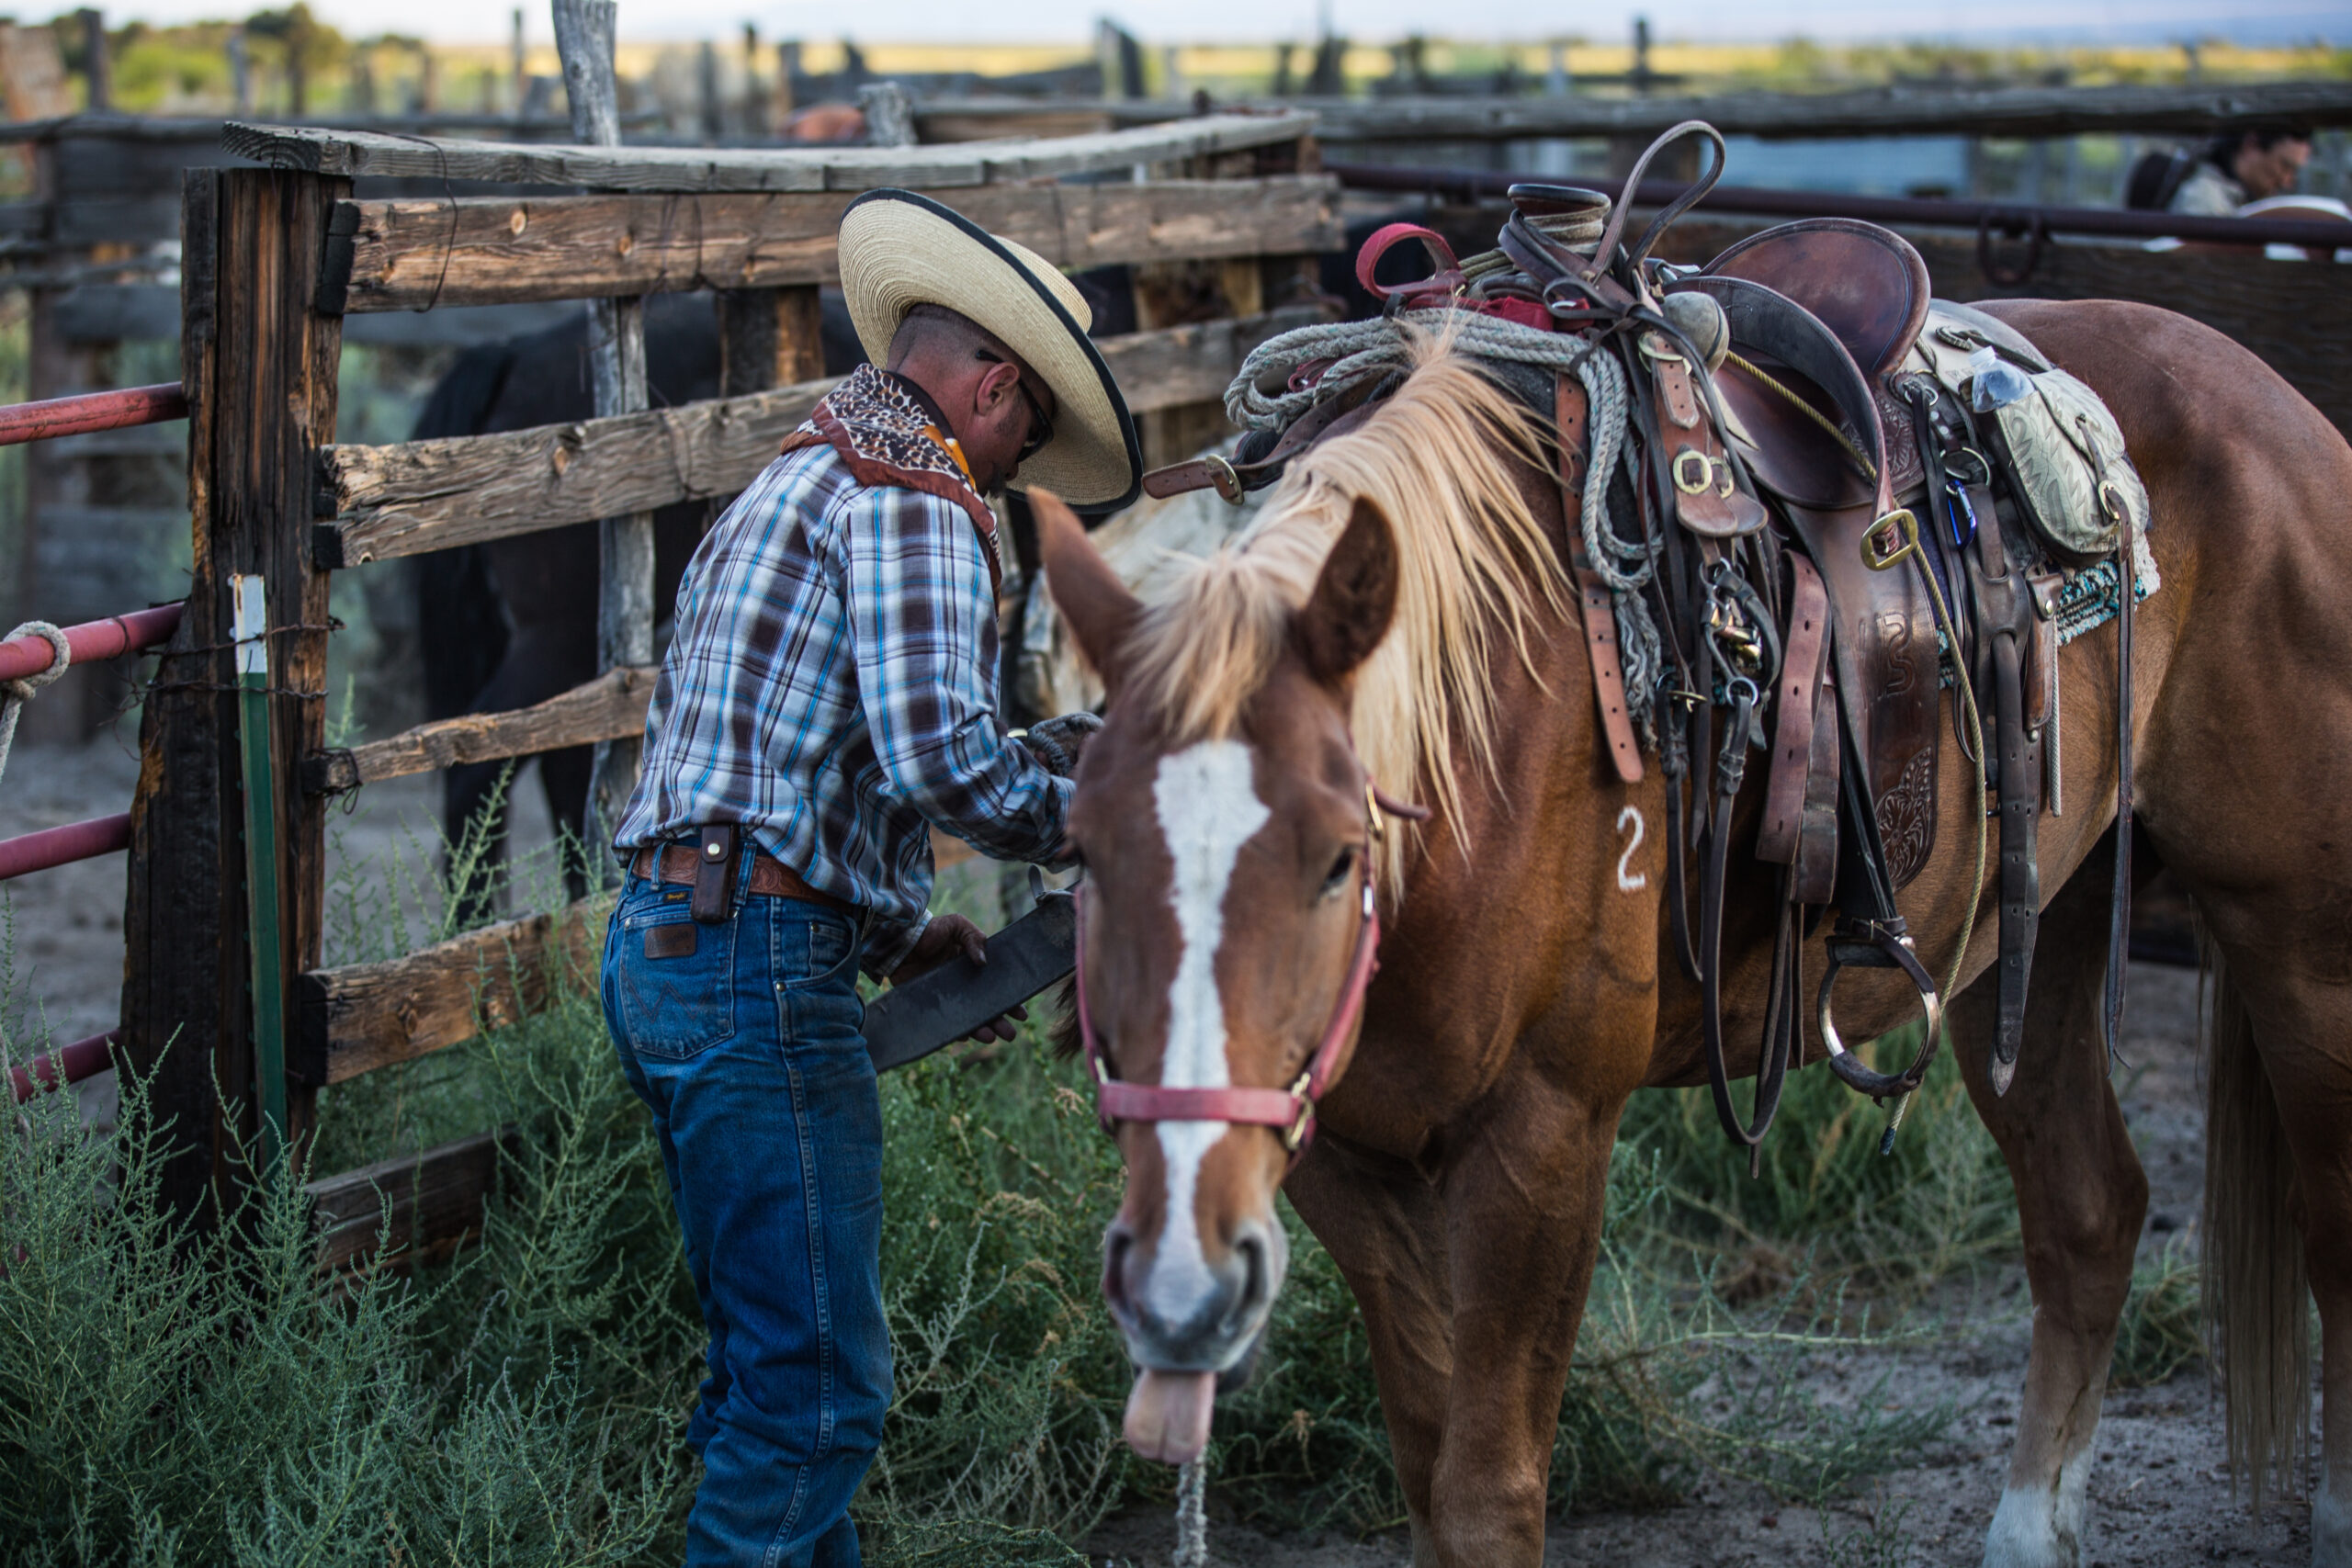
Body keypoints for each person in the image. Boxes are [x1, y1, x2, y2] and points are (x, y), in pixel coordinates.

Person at [600, 187, 1140, 1566]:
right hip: (755, 970)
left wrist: (892, 923)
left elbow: (777, 749)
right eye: (1028, 430)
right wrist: (1110, 815)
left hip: (674, 939)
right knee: (818, 1394)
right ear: (996, 383)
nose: (1018, 464)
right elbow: (945, 767)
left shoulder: (799, 472)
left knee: (766, 1372)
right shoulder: (917, 497)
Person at [2169, 122, 2314, 216]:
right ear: (2250, 144)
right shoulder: (2204, 199)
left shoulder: (2243, 200)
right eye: (2285, 166)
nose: (2286, 181)